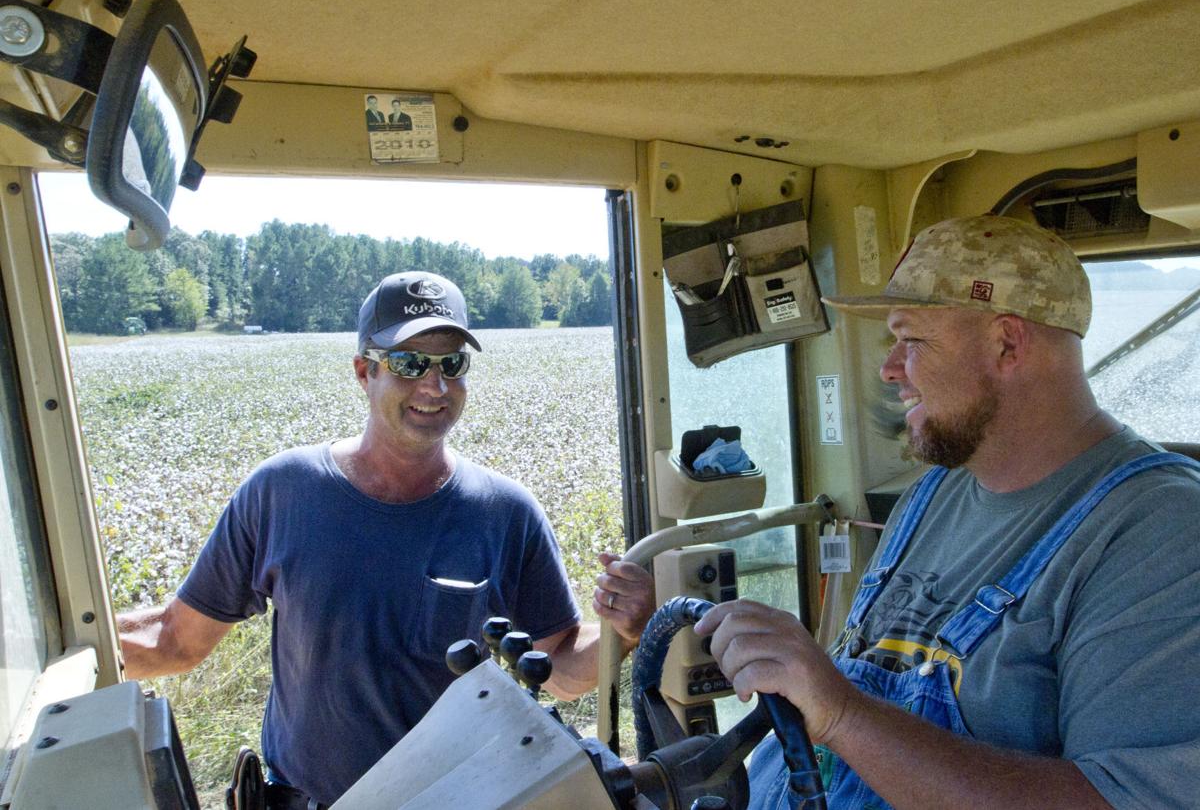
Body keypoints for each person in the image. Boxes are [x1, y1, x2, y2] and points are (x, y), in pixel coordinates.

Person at [696, 215, 1200, 809]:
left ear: (1007, 343)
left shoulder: (1161, 530)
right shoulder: (932, 495)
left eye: (912, 340)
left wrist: (842, 713)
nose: (889, 369)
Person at [117, 271, 655, 809]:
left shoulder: (507, 513)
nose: (434, 386)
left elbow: (558, 669)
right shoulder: (281, 493)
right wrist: (71, 649)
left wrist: (624, 629)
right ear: (364, 372)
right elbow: (175, 640)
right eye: (410, 363)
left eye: (451, 364)